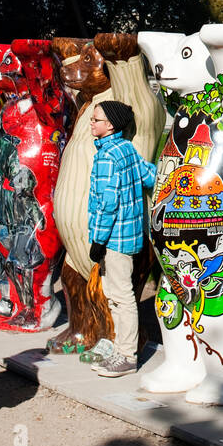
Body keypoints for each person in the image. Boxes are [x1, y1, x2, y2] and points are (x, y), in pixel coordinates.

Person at [87, 101, 157, 378]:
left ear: (110, 125)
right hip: (129, 234)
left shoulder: (107, 156)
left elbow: (107, 203)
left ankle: (127, 355)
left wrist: (98, 240)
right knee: (118, 295)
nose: (92, 123)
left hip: (113, 238)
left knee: (121, 297)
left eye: (96, 120)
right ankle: (121, 349)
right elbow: (149, 176)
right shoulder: (126, 149)